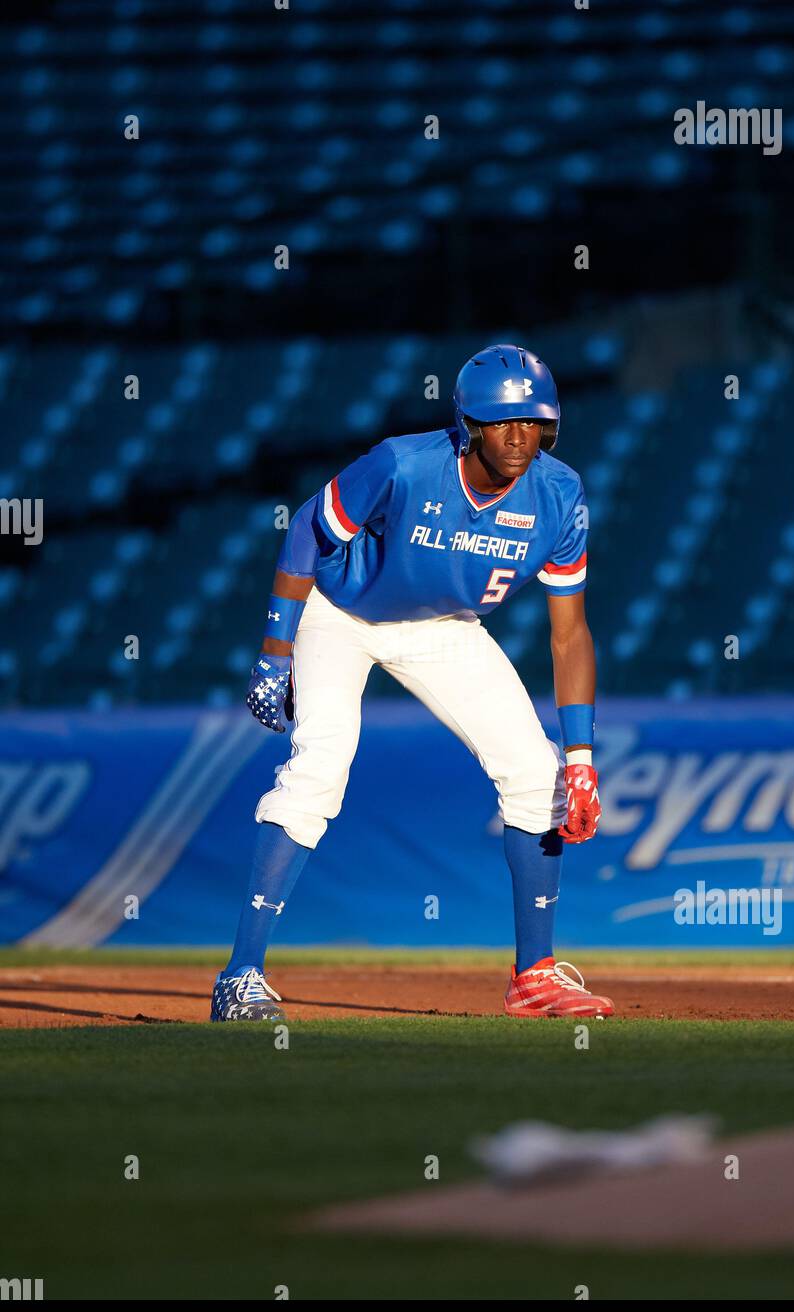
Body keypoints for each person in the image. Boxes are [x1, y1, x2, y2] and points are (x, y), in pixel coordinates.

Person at [210, 344, 610, 1022]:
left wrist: (581, 758)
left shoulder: (560, 495)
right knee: (320, 770)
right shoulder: (403, 464)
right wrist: (275, 655)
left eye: (532, 422)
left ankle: (534, 976)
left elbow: (569, 632)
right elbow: (307, 532)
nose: (518, 436)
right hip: (342, 612)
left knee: (539, 776)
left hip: (443, 626)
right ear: (468, 424)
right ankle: (240, 975)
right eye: (500, 421)